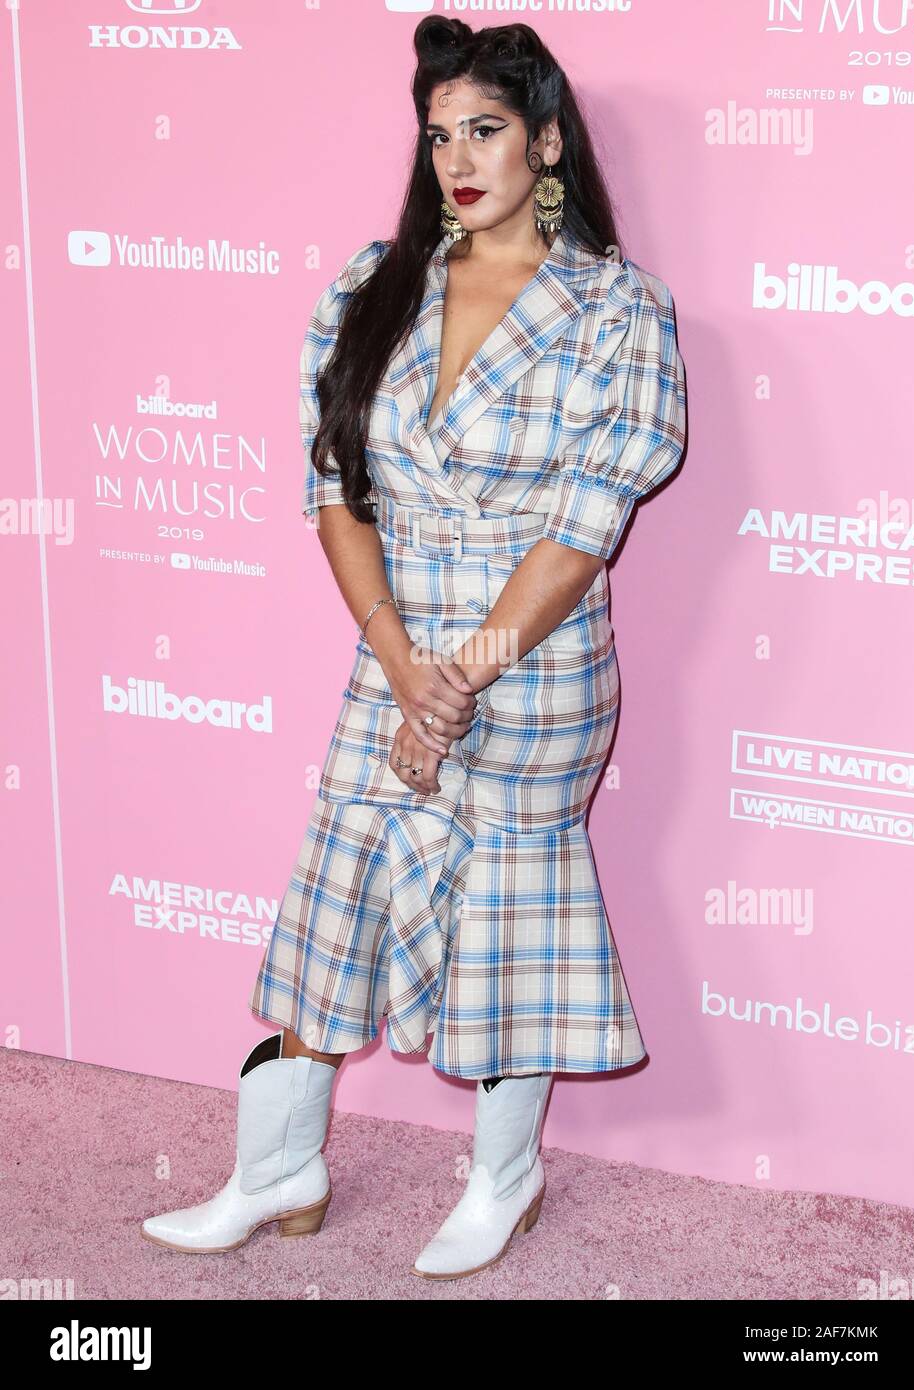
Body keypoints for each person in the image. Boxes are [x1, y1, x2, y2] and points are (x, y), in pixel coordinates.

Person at [141, 15, 687, 1281]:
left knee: (503, 922)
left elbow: (582, 527)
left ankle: (504, 1179)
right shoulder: (373, 286)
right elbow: (334, 489)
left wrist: (463, 675)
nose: (457, 157)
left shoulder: (618, 313)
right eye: (439, 134)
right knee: (334, 900)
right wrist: (402, 663)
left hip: (537, 668)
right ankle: (278, 1169)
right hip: (394, 658)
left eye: (485, 130)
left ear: (544, 143)